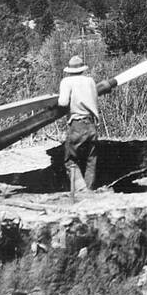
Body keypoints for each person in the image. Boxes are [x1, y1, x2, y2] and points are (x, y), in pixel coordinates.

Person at [58, 54, 100, 194]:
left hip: (77, 124)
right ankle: (88, 190)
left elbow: (63, 102)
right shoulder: (91, 81)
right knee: (90, 160)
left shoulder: (67, 82)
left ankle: (81, 191)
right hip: (91, 124)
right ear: (82, 69)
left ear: (69, 70)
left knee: (70, 160)